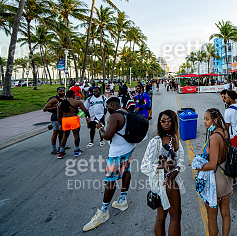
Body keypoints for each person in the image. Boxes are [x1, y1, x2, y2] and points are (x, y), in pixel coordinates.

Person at [83, 97, 136, 232]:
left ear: (112, 105)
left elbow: (107, 136)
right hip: (128, 148)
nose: (106, 109)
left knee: (110, 181)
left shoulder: (114, 116)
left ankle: (103, 212)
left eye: (107, 107)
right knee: (126, 171)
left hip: (116, 153)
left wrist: (100, 128)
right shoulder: (126, 112)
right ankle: (122, 200)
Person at [141, 110, 185, 236]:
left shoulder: (174, 138)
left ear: (174, 122)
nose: (166, 123)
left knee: (162, 217)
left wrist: (176, 170)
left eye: (169, 120)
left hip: (169, 179)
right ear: (159, 123)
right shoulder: (155, 141)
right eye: (163, 121)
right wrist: (163, 166)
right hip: (164, 183)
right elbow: (144, 166)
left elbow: (181, 156)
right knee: (174, 218)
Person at [199, 108, 233, 236]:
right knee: (226, 214)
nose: (204, 122)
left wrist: (198, 167)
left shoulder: (214, 138)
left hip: (215, 183)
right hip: (227, 178)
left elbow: (212, 165)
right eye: (204, 119)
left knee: (212, 219)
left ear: (216, 120)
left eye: (207, 119)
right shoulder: (225, 132)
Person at [57, 90, 90, 159]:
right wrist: (88, 117)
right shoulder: (77, 102)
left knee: (65, 136)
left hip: (65, 120)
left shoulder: (60, 104)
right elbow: (85, 110)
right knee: (76, 135)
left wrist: (60, 124)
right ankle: (76, 150)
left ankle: (61, 152)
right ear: (73, 95)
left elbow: (58, 115)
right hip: (74, 119)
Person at [43, 86, 67, 154]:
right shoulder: (55, 99)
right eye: (60, 91)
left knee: (61, 133)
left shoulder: (66, 98)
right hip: (56, 118)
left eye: (63, 91)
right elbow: (45, 109)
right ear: (57, 92)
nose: (62, 92)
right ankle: (54, 149)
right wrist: (57, 107)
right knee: (55, 133)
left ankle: (61, 146)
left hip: (63, 118)